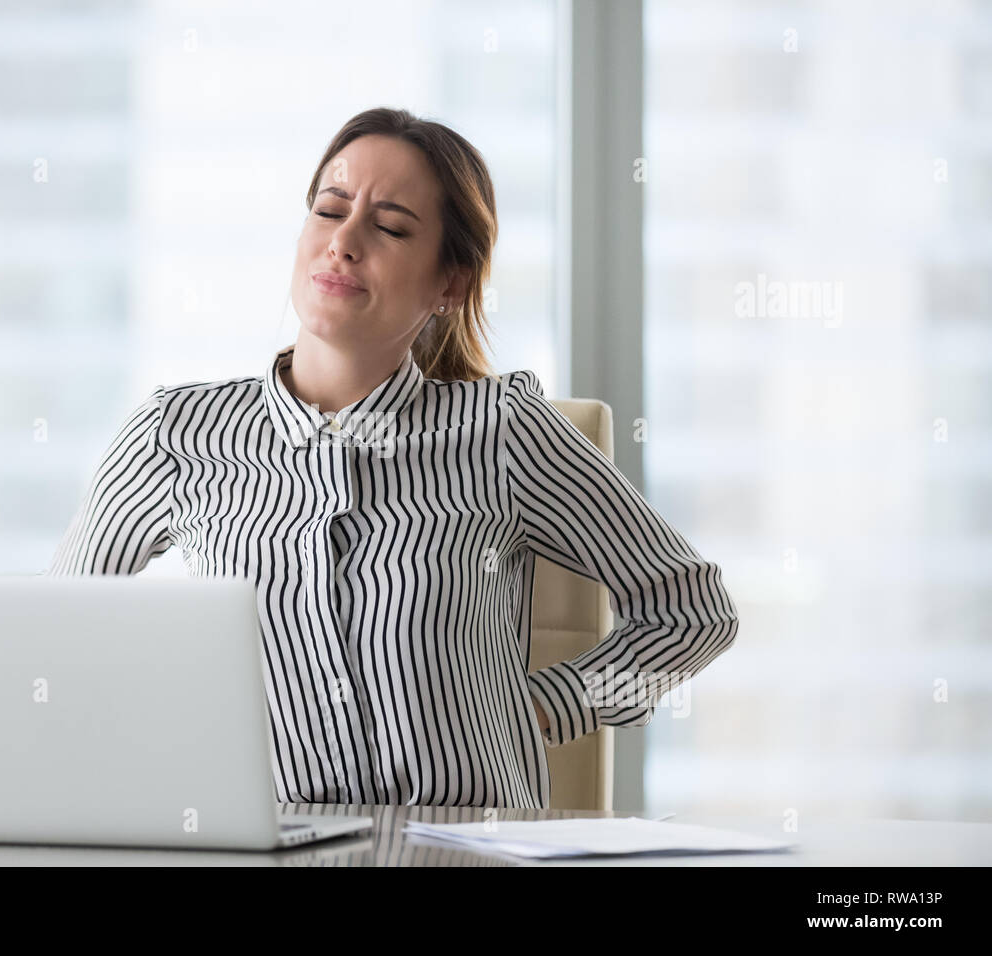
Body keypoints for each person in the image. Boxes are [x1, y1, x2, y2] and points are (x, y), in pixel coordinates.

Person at [48, 107, 739, 808]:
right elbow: (55, 639)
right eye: (329, 210)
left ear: (451, 284)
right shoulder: (175, 434)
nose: (343, 243)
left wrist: (550, 706)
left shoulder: (505, 433)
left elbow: (692, 611)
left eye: (391, 227)